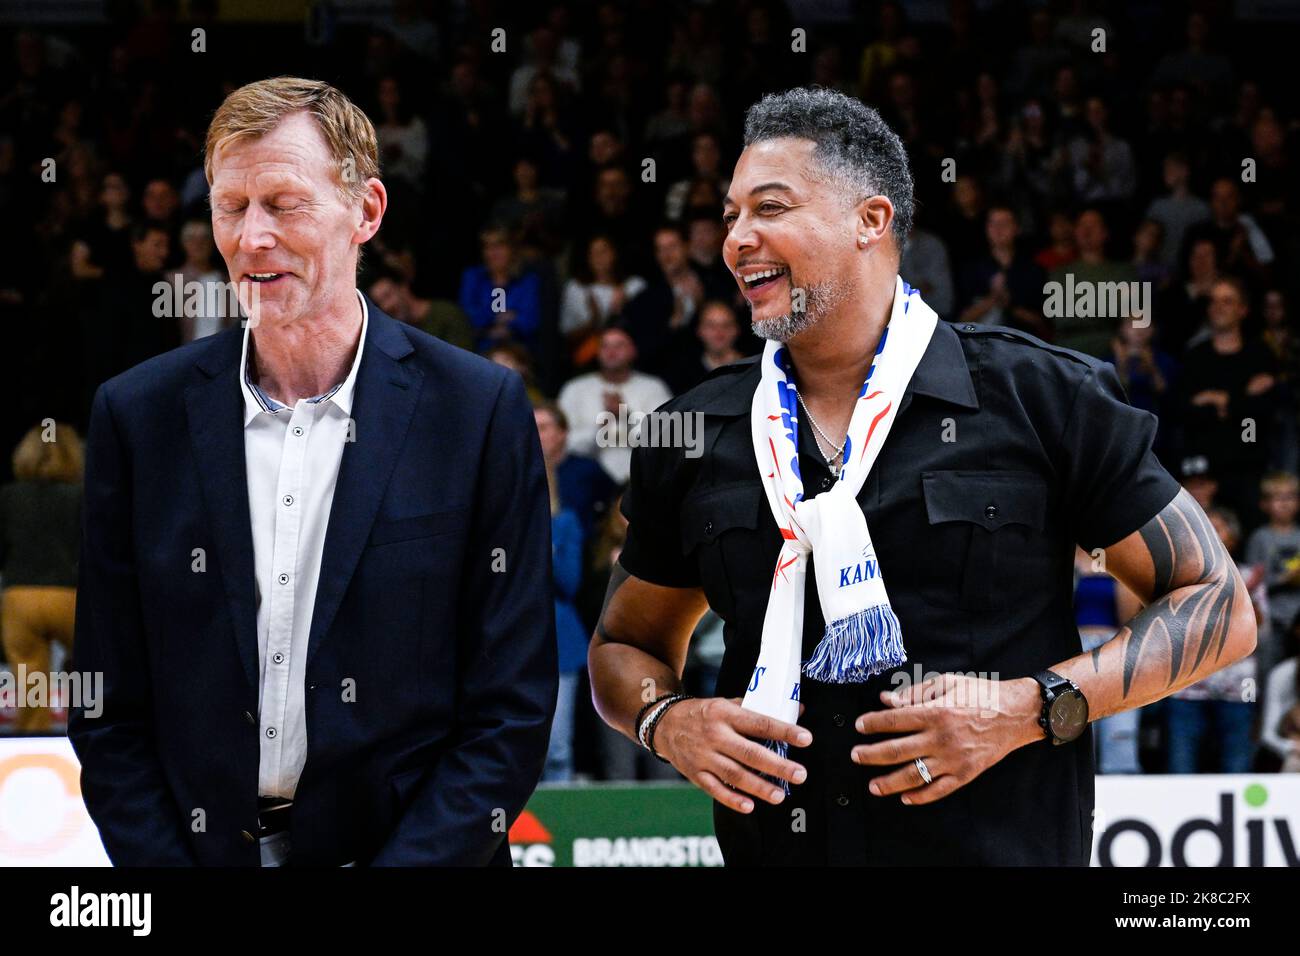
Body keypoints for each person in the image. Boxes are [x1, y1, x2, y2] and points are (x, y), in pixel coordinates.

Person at [589, 88, 1256, 866]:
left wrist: (1031, 707)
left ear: (871, 221)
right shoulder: (695, 432)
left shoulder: (1038, 394)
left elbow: (1218, 606)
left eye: (768, 208)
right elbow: (623, 643)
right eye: (731, 215)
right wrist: (666, 721)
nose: (737, 238)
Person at [68, 77, 556, 867]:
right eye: (231, 206)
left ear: (366, 211)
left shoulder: (477, 408)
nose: (252, 236)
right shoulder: (137, 416)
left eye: (284, 203)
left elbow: (511, 710)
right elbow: (106, 710)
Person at [1165, 506, 1261, 773]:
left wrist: (1248, 594)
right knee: (1180, 766)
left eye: (1218, 527)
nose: (1210, 532)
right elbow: (1175, 627)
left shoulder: (1252, 575)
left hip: (1238, 685)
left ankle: (1239, 814)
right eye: (1204, 527)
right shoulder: (1180, 576)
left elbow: (1259, 633)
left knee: (1237, 763)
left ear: (1234, 536)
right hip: (1187, 684)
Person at [0, 423, 82, 733]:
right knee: (92, 675)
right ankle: (88, 735)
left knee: (31, 686)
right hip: (70, 596)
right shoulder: (81, 497)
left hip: (20, 597)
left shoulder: (8, 497)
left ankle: (33, 741)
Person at [556, 325, 671, 486]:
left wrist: (626, 415)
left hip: (642, 481)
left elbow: (666, 440)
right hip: (585, 481)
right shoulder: (574, 389)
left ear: (633, 350)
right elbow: (560, 442)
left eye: (619, 345)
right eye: (605, 346)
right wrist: (599, 430)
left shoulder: (653, 387)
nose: (611, 352)